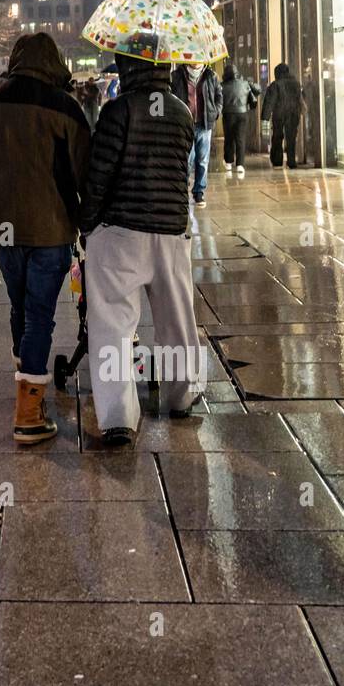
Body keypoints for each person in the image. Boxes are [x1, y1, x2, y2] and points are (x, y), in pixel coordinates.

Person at [80, 53, 203, 446]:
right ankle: (182, 395)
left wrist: (87, 224)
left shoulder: (118, 111)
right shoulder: (183, 112)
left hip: (121, 233)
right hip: (170, 232)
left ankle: (118, 417)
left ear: (129, 68)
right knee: (177, 318)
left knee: (113, 323)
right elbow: (179, 170)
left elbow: (99, 175)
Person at [0, 33, 91, 444]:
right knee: (40, 314)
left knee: (21, 306)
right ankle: (28, 413)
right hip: (49, 227)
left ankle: (28, 385)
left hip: (5, 228)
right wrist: (88, 221)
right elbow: (84, 172)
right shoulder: (64, 107)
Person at [170, 62, 222, 206]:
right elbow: (170, 97)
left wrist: (216, 112)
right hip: (185, 125)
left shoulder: (211, 76)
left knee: (203, 160)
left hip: (205, 124)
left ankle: (199, 192)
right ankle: (182, 190)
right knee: (187, 160)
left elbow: (219, 95)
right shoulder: (177, 76)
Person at [261, 62, 305, 169]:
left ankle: (277, 160)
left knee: (277, 136)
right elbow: (300, 99)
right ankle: (291, 161)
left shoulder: (275, 85)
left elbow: (269, 102)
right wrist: (302, 111)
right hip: (294, 113)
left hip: (279, 114)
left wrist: (265, 117)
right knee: (291, 138)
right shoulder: (296, 84)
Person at [221, 63, 260, 176]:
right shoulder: (245, 83)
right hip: (242, 113)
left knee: (229, 138)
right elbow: (258, 90)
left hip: (228, 114)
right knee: (240, 139)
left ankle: (228, 162)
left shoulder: (222, 85)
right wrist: (250, 83)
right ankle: (240, 165)